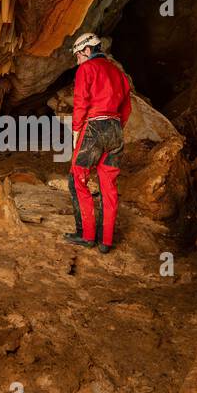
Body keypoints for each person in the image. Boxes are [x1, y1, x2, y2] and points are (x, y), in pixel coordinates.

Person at [64, 33, 131, 254]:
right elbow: (126, 108)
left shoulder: (86, 69)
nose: (77, 61)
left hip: (94, 127)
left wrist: (76, 130)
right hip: (115, 128)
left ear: (86, 50)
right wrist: (116, 128)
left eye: (78, 56)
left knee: (78, 178)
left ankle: (87, 235)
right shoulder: (118, 73)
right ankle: (106, 241)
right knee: (108, 186)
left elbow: (81, 101)